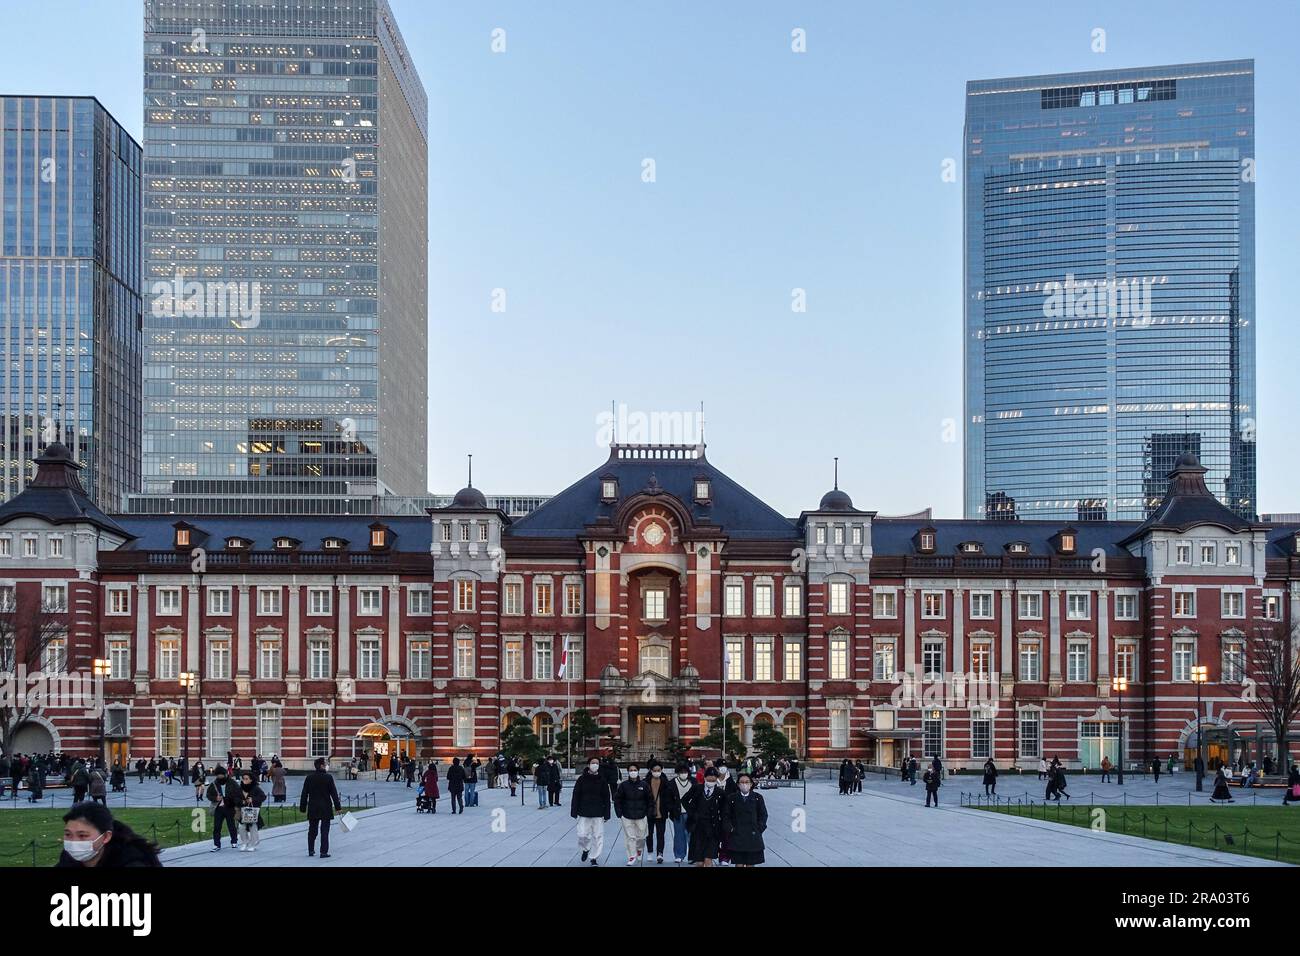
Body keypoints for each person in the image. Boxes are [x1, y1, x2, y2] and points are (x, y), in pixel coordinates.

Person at [55, 802, 161, 868]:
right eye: (68, 834)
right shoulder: (68, 858)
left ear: (106, 837)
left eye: (83, 836)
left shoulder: (132, 861)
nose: (74, 842)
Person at [298, 757, 342, 858]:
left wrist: (303, 807)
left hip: (313, 807)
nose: (327, 765)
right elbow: (334, 793)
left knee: (312, 829)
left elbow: (304, 794)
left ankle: (311, 849)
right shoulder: (328, 777)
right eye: (326, 764)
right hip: (325, 807)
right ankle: (323, 852)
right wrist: (338, 807)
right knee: (325, 830)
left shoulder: (309, 778)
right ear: (321, 766)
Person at [570, 757, 611, 865]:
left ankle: (594, 858)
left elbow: (607, 797)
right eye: (593, 763)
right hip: (584, 812)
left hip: (598, 812)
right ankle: (585, 849)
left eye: (597, 763)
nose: (595, 765)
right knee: (582, 834)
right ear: (588, 765)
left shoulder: (602, 780)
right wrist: (574, 811)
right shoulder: (581, 779)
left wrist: (607, 813)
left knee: (598, 836)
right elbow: (576, 795)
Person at [723, 772, 767, 866]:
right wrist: (730, 828)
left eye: (747, 782)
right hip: (737, 835)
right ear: (738, 784)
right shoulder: (732, 798)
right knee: (739, 864)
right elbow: (726, 815)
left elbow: (763, 815)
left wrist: (759, 828)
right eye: (742, 782)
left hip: (753, 835)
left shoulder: (758, 798)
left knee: (750, 864)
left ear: (751, 784)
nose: (744, 784)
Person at [683, 766, 725, 867]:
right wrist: (692, 812)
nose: (711, 781)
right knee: (700, 862)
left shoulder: (720, 793)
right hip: (698, 828)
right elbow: (684, 800)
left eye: (713, 779)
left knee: (708, 858)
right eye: (709, 779)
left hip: (712, 829)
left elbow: (724, 809)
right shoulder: (697, 788)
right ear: (705, 778)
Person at [613, 762, 651, 866]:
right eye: (631, 770)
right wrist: (619, 813)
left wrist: (648, 812)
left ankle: (639, 849)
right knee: (630, 837)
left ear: (638, 771)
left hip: (641, 815)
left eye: (635, 770)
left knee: (641, 837)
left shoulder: (644, 785)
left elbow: (650, 800)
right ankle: (631, 856)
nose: (633, 772)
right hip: (627, 815)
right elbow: (617, 800)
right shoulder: (623, 785)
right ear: (628, 772)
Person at [643, 761, 680, 864]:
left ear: (661, 770)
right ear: (651, 771)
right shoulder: (645, 782)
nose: (656, 772)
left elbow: (670, 797)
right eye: (654, 770)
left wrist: (668, 808)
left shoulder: (665, 783)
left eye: (658, 770)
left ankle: (660, 853)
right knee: (649, 834)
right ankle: (650, 852)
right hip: (649, 812)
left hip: (661, 812)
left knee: (661, 834)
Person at [206, 765, 242, 851]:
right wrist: (215, 798)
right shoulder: (214, 784)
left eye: (221, 774)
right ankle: (216, 844)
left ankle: (234, 841)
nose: (219, 776)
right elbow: (208, 794)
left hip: (230, 807)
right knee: (217, 826)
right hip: (218, 808)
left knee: (231, 825)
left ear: (225, 774)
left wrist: (234, 801)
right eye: (218, 775)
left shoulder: (232, 783)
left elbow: (238, 794)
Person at [670, 764, 694, 864]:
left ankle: (692, 855)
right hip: (678, 812)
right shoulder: (672, 783)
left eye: (685, 772)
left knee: (691, 835)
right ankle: (679, 855)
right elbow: (669, 798)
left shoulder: (693, 782)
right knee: (679, 835)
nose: (683, 774)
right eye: (681, 772)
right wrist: (671, 809)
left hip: (690, 813)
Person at [238, 771, 266, 852]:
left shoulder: (255, 788)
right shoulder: (240, 788)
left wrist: (253, 799)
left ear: (251, 780)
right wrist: (240, 801)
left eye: (246, 779)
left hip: (252, 810)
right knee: (241, 827)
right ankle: (245, 842)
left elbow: (263, 797)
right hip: (243, 810)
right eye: (243, 779)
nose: (244, 780)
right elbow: (236, 797)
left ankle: (253, 843)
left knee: (252, 827)